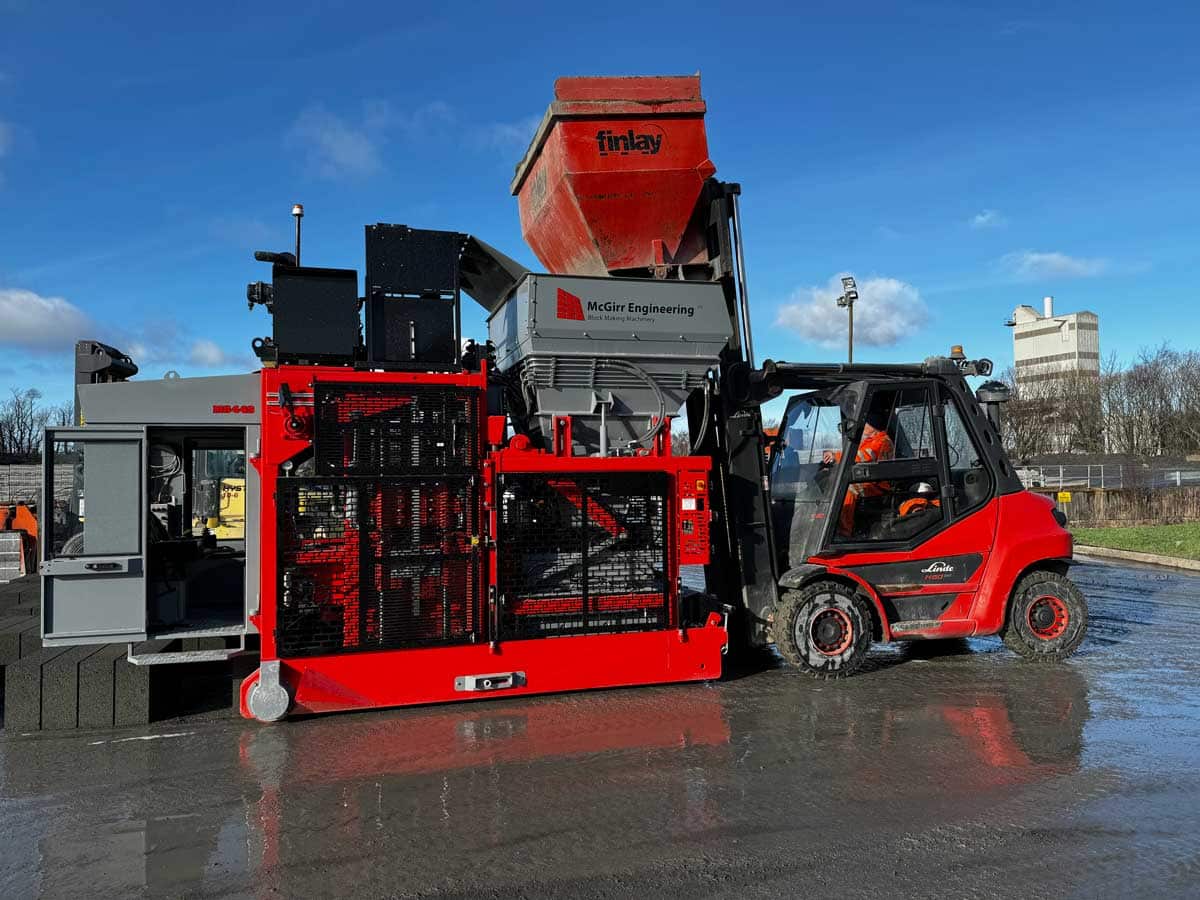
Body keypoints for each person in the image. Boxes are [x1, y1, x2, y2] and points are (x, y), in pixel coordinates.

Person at [821, 404, 895, 536]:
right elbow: (854, 453)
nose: (863, 426)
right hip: (869, 479)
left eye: (865, 423)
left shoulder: (882, 441)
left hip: (879, 484)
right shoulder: (870, 440)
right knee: (830, 482)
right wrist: (834, 455)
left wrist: (836, 456)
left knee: (847, 490)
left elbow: (863, 456)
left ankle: (844, 532)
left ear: (873, 426)